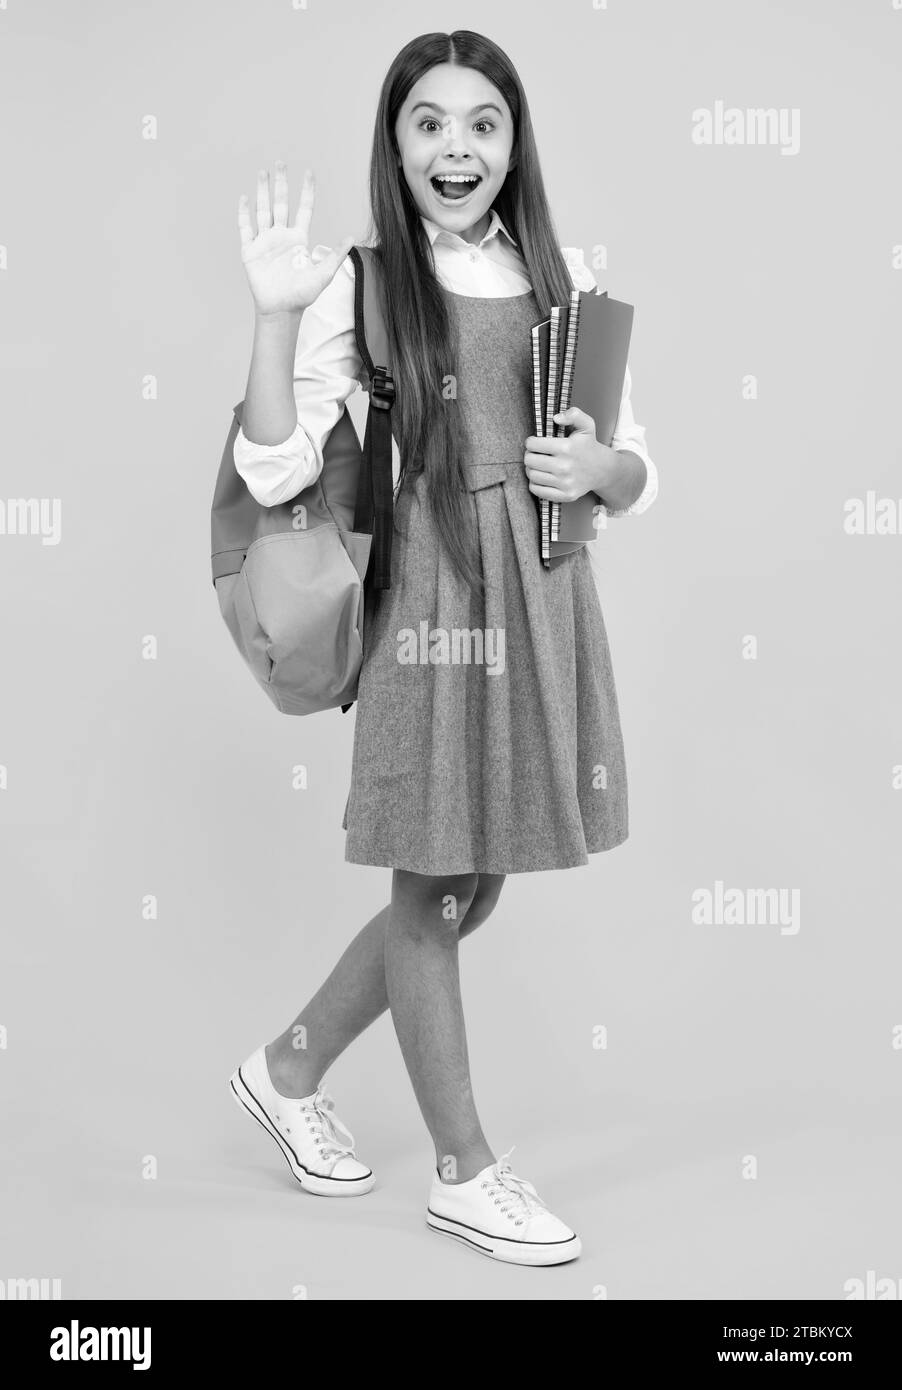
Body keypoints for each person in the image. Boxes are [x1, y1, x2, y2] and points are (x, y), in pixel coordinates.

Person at [228, 29, 658, 1267]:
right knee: (431, 875)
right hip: (434, 607)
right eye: (428, 122)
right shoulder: (363, 284)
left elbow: (635, 460)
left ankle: (288, 1065)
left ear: (512, 141)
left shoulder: (555, 272)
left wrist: (600, 468)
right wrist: (271, 319)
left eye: (480, 122)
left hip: (541, 596)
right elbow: (275, 464)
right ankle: (465, 1171)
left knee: (477, 878)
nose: (455, 147)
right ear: (395, 142)